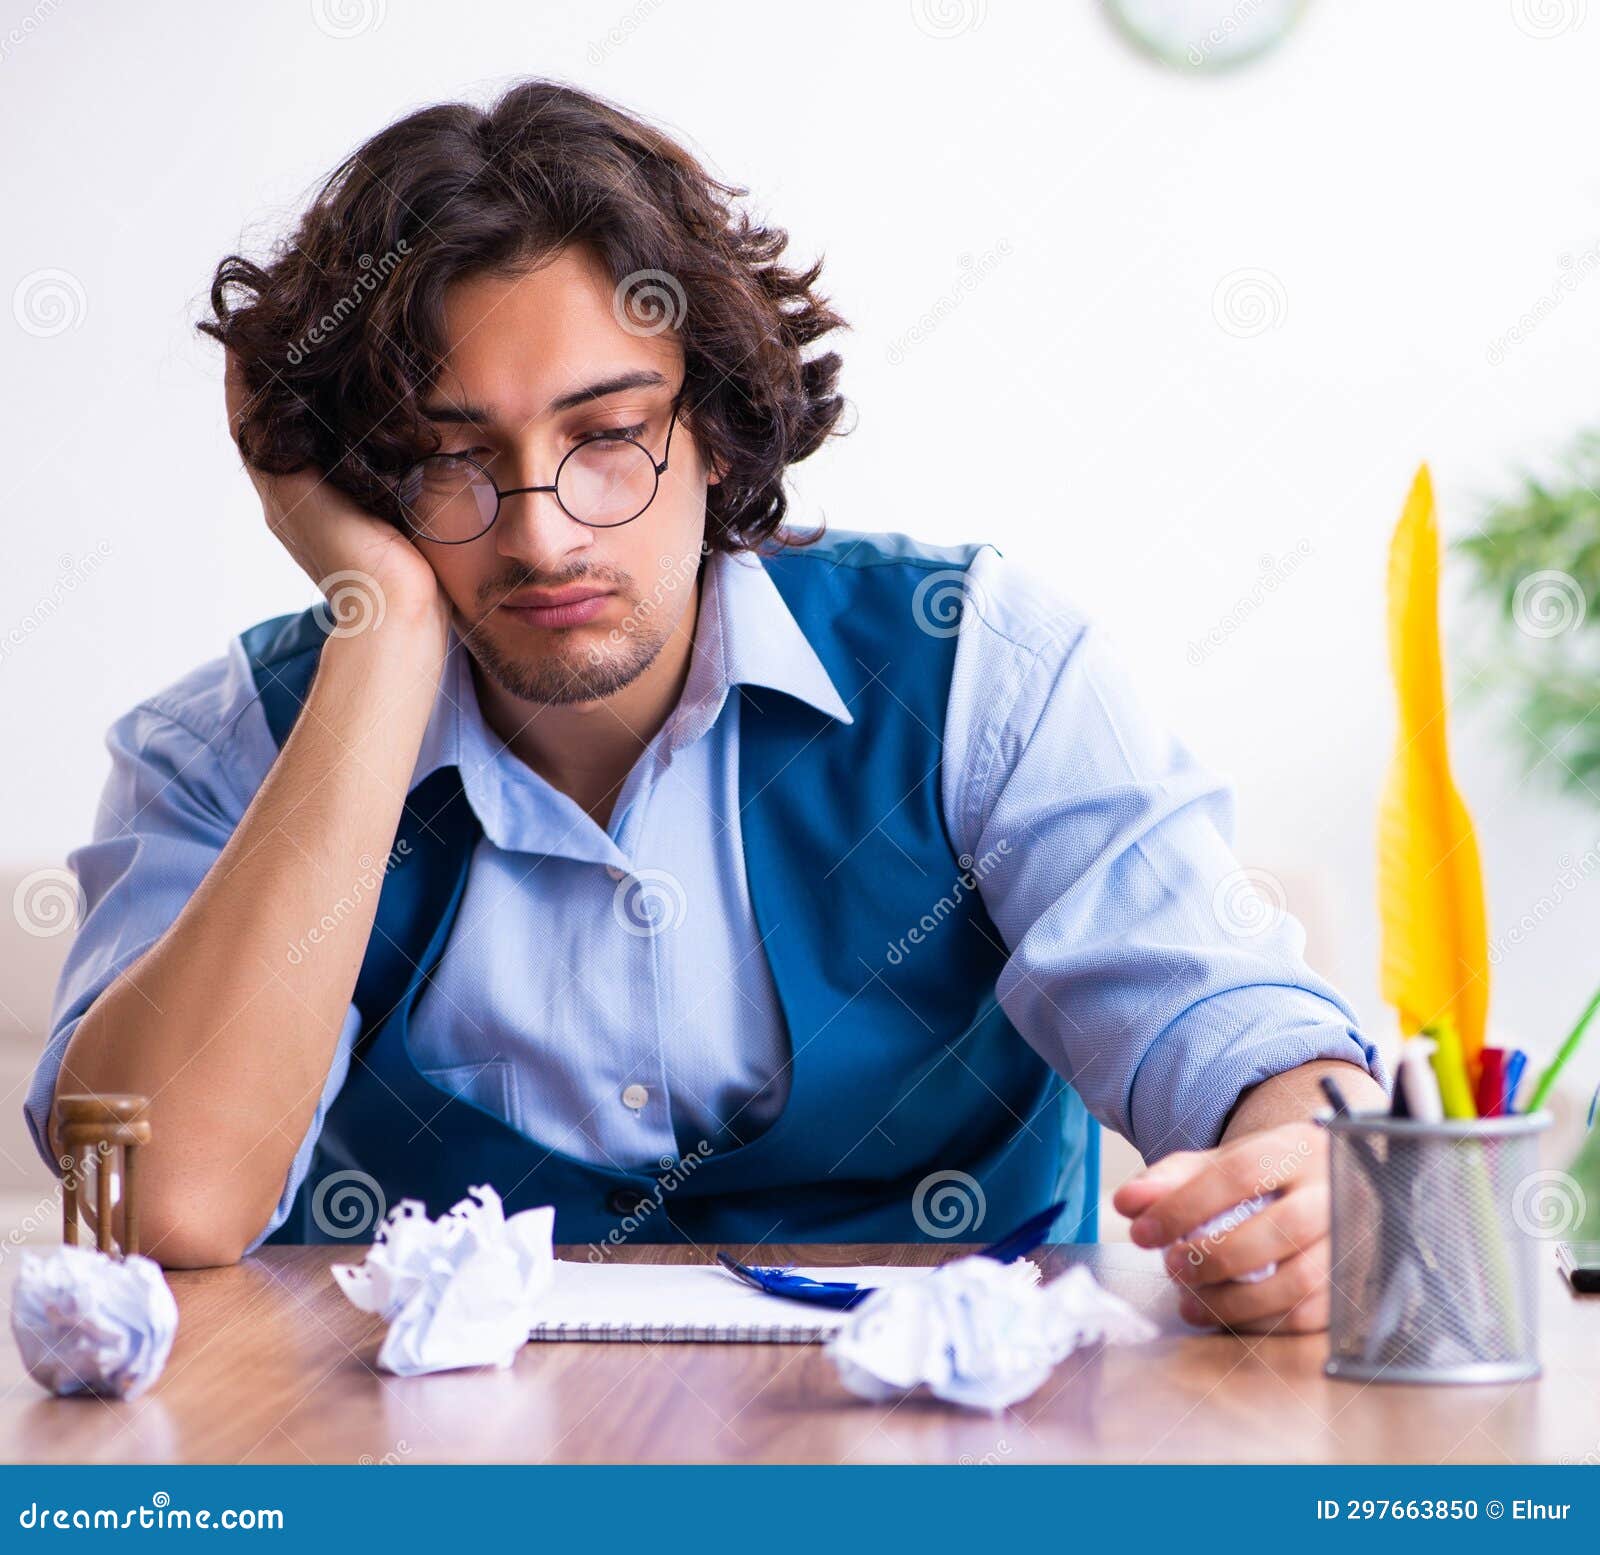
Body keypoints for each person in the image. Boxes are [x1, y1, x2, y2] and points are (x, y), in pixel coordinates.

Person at [24, 78, 1384, 1333]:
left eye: (607, 437)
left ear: (719, 427)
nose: (545, 539)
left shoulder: (978, 672)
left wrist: (1321, 1165)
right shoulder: (225, 753)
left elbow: (1245, 1031)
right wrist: (377, 635)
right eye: (445, 462)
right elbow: (165, 1204)